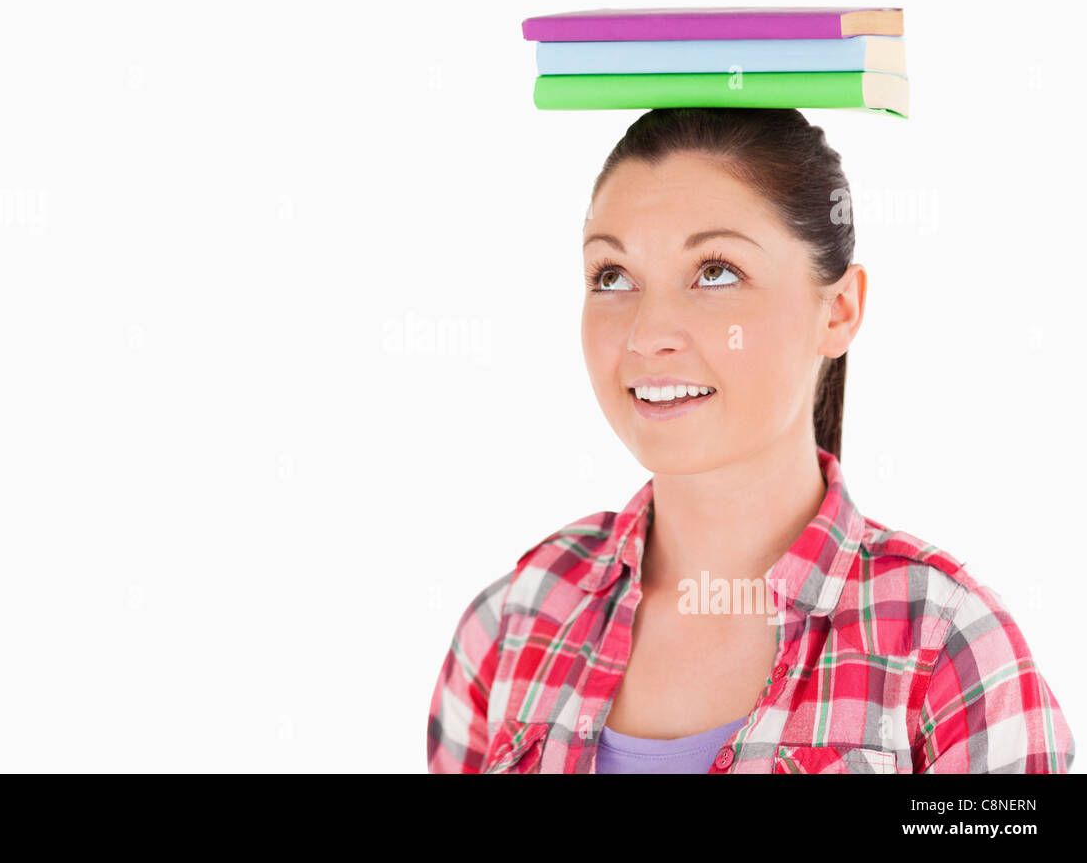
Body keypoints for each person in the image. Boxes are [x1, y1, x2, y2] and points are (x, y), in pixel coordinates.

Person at [425, 107, 1075, 774]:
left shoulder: (945, 647)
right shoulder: (511, 624)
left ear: (840, 310)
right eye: (611, 275)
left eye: (715, 271)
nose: (650, 333)